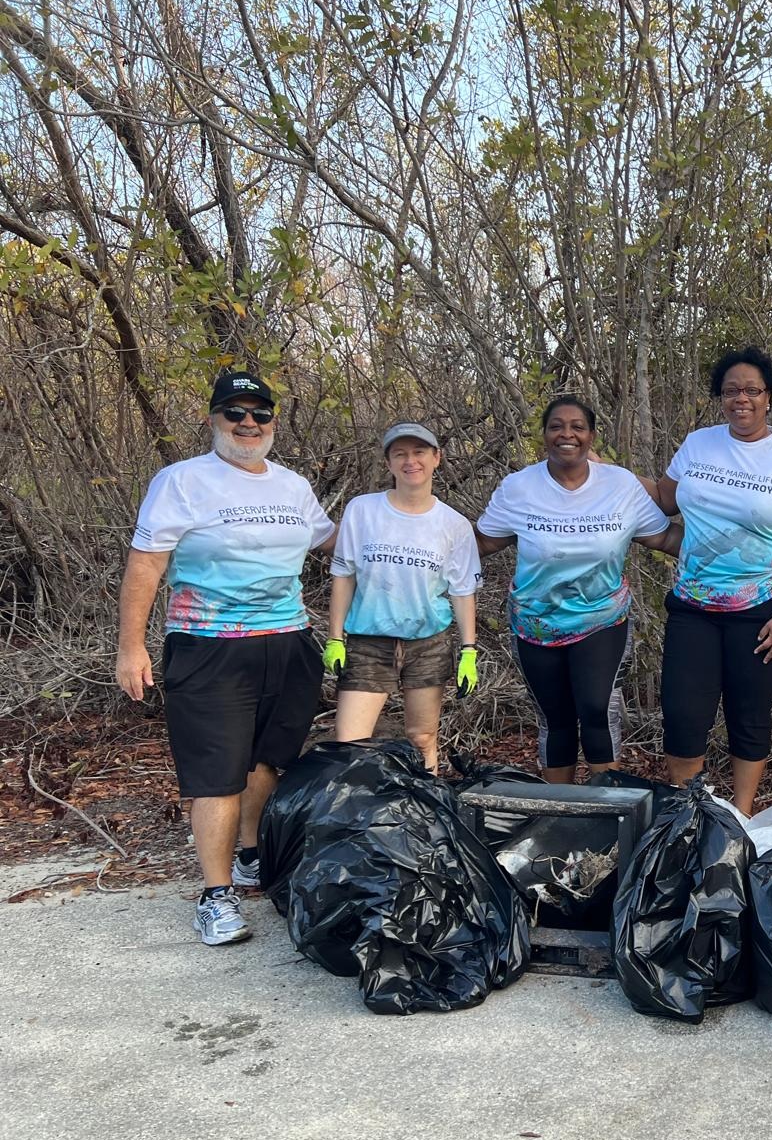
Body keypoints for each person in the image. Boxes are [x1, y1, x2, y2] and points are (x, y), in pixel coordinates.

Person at [115, 370, 334, 946]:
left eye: (259, 413)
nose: (248, 424)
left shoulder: (293, 486)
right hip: (208, 645)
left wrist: (417, 529)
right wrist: (130, 646)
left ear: (273, 423)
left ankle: (249, 854)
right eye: (234, 412)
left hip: (287, 644)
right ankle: (216, 896)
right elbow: (146, 564)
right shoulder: (182, 481)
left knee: (265, 761)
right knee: (215, 774)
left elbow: (336, 543)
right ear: (213, 419)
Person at [653, 346, 772, 815]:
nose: (741, 399)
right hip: (692, 607)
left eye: (752, 390)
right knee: (685, 718)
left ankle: (742, 819)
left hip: (761, 611)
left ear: (769, 397)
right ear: (720, 397)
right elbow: (664, 501)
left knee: (748, 718)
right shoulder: (698, 444)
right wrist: (604, 482)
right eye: (731, 391)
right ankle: (689, 817)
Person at [477, 396, 681, 782]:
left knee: (596, 710)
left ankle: (606, 813)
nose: (566, 434)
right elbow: (483, 542)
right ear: (544, 435)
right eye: (556, 426)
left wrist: (734, 549)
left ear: (591, 436)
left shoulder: (620, 485)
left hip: (601, 619)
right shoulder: (519, 487)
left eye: (577, 426)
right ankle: (559, 814)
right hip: (534, 624)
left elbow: (664, 539)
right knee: (554, 718)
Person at [323, 423, 480, 774]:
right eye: (401, 454)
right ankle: (356, 821)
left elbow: (462, 589)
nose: (411, 461)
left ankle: (427, 815)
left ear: (436, 458)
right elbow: (344, 574)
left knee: (422, 737)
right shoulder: (362, 511)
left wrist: (469, 650)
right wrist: (335, 638)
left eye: (420, 452)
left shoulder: (453, 524)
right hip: (368, 641)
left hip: (428, 643)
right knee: (350, 743)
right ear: (389, 463)